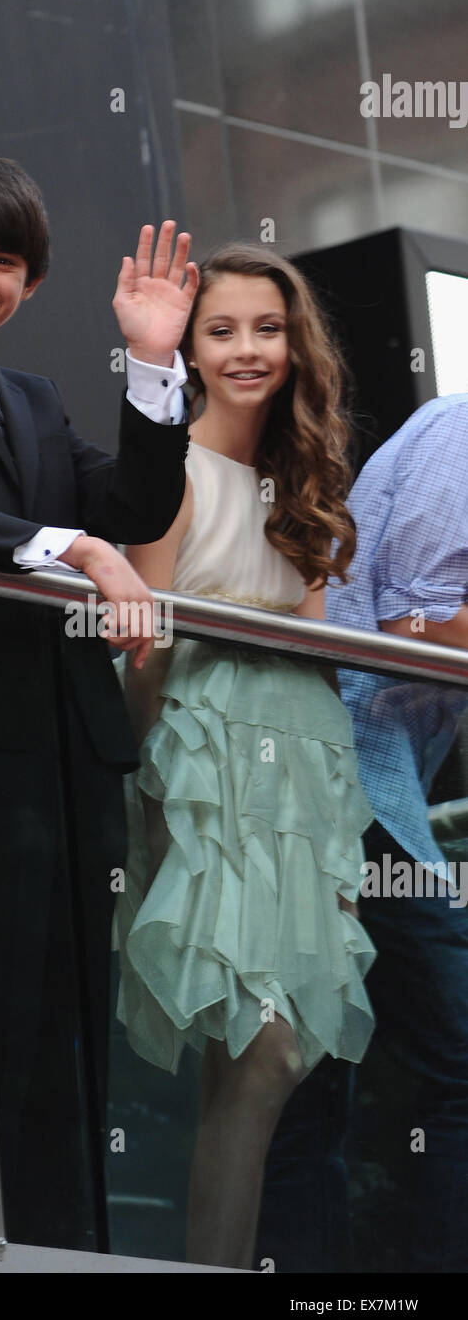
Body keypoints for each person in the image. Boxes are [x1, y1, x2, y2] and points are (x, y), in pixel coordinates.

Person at [0, 156, 199, 1249]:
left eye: (5, 260)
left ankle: (64, 1249)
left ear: (29, 282)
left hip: (69, 753)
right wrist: (77, 551)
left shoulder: (28, 396)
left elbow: (133, 500)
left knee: (71, 1030)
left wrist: (154, 363)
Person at [112, 242, 377, 1270]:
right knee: (255, 1049)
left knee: (280, 1052)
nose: (246, 348)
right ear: (188, 343)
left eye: (266, 327)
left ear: (294, 340)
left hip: (300, 772)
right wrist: (145, 800)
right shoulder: (167, 470)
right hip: (196, 757)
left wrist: (333, 854)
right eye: (219, 329)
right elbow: (142, 647)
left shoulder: (307, 485)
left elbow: (316, 665)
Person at [259, 394, 468, 1274]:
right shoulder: (464, 430)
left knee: (312, 1081)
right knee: (454, 1056)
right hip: (347, 774)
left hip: (365, 783)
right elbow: (415, 623)